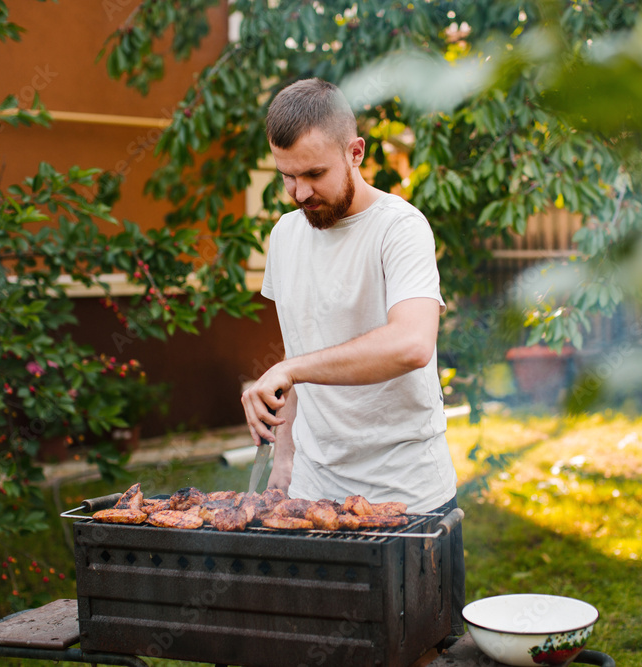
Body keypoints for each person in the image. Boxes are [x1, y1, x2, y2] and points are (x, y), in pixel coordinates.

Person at [240, 77, 464, 637]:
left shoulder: (400, 229)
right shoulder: (285, 237)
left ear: (355, 152)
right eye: (287, 176)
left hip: (407, 497)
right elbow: (299, 347)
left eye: (314, 174)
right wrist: (286, 461)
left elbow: (412, 344)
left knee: (411, 648)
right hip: (315, 495)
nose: (298, 193)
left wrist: (289, 370)